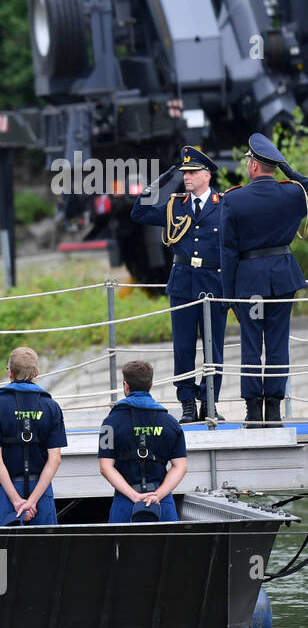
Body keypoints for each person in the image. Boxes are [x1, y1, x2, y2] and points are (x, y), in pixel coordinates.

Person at [129, 145, 228, 423]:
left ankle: (210, 402)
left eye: (193, 172)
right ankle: (187, 403)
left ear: (206, 175)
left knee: (214, 348)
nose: (187, 177)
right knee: (183, 347)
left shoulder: (224, 205)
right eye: (185, 172)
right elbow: (139, 213)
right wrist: (155, 185)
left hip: (213, 284)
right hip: (183, 284)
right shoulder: (175, 205)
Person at [220, 133, 308, 427]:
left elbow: (228, 252)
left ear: (255, 166)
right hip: (283, 279)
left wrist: (228, 294)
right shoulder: (293, 193)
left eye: (248, 161)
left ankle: (253, 411)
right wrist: (291, 172)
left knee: (251, 344)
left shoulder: (234, 199)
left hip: (249, 282)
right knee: (278, 342)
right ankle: (274, 410)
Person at [0, 347, 67, 527]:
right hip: (41, 490)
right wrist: (33, 500)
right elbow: (55, 459)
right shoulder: (51, 406)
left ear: (10, 373)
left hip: (8, 491)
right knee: (46, 551)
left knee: (6, 552)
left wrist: (16, 500)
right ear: (36, 372)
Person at [98, 361, 188, 523]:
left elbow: (105, 467)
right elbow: (180, 467)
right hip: (162, 502)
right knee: (169, 548)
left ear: (126, 385)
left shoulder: (111, 422)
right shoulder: (170, 423)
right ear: (151, 384)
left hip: (126, 501)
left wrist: (134, 496)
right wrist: (158, 495)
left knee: (121, 548)